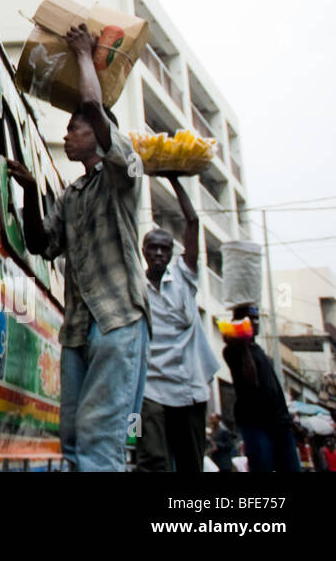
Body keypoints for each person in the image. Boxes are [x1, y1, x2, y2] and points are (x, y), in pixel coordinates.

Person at [8, 23, 149, 472]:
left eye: (74, 129)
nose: (67, 136)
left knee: (98, 441)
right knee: (71, 444)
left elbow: (92, 103)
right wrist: (30, 192)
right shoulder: (73, 195)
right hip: (79, 331)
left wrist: (85, 55)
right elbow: (39, 243)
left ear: (99, 132)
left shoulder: (124, 172)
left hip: (117, 321)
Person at [134, 175, 220, 472]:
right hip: (150, 390)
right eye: (153, 248)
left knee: (191, 463)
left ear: (172, 253)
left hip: (189, 389)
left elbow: (193, 223)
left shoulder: (184, 277)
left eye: (165, 249)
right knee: (150, 459)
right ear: (144, 251)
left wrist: (173, 179)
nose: (159, 253)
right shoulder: (136, 288)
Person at [221, 303, 301, 472]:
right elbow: (251, 379)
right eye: (251, 318)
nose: (256, 322)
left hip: (280, 424)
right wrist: (242, 340)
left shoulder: (259, 350)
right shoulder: (233, 351)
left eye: (257, 318)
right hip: (256, 425)